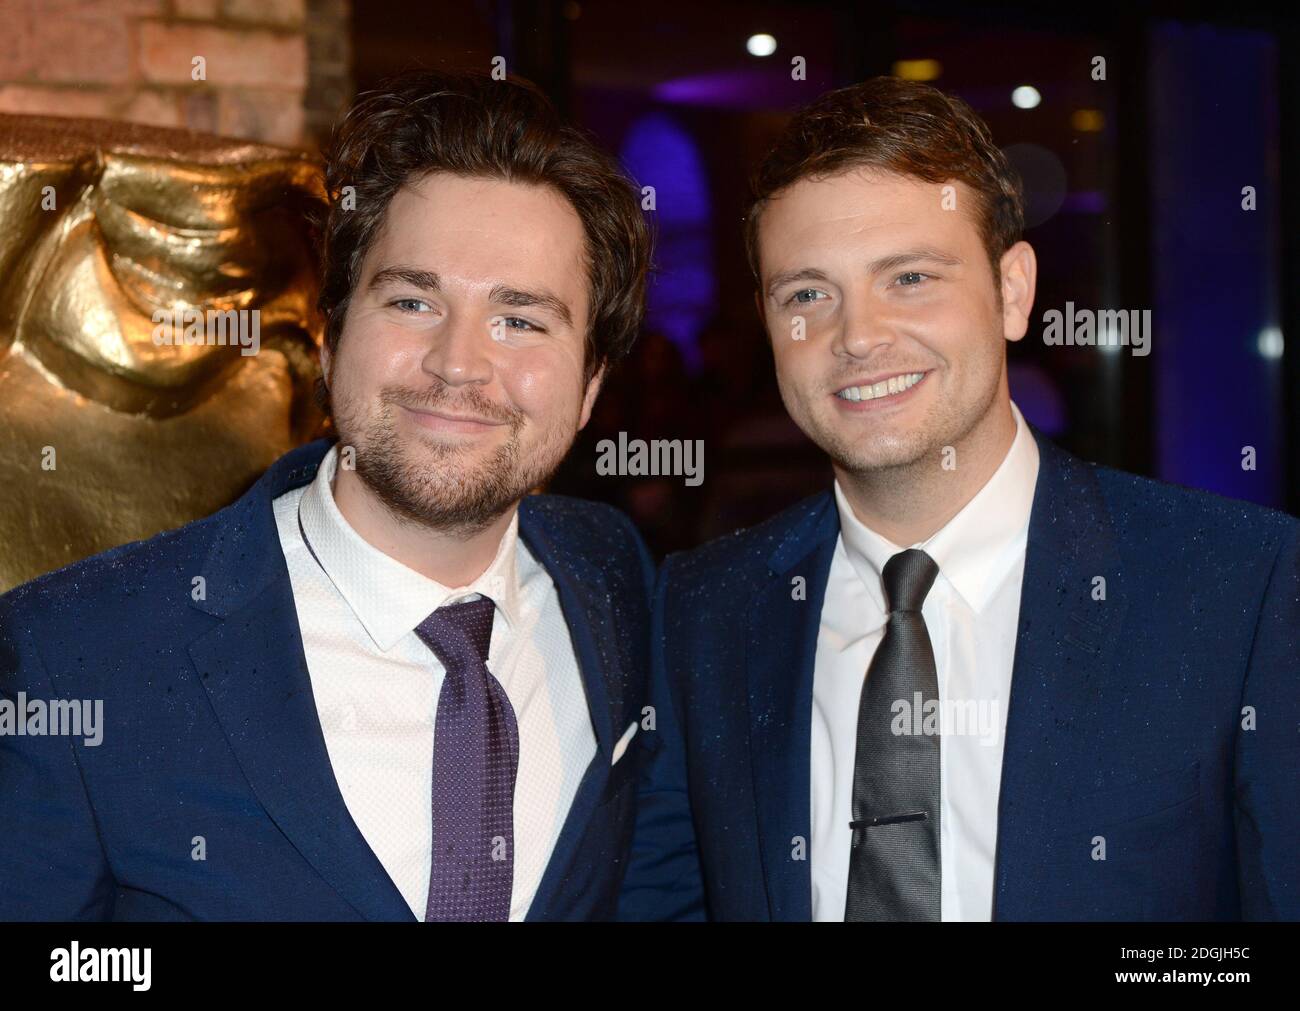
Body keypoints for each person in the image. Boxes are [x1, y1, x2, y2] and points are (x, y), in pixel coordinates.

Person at [618, 76, 1299, 921]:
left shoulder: (1240, 586)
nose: (857, 335)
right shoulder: (704, 609)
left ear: (1013, 291)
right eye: (807, 294)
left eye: (909, 278)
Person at [0, 70, 653, 922]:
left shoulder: (614, 579)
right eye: (413, 299)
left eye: (520, 319)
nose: (458, 363)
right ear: (334, 331)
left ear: (592, 383)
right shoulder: (73, 655)